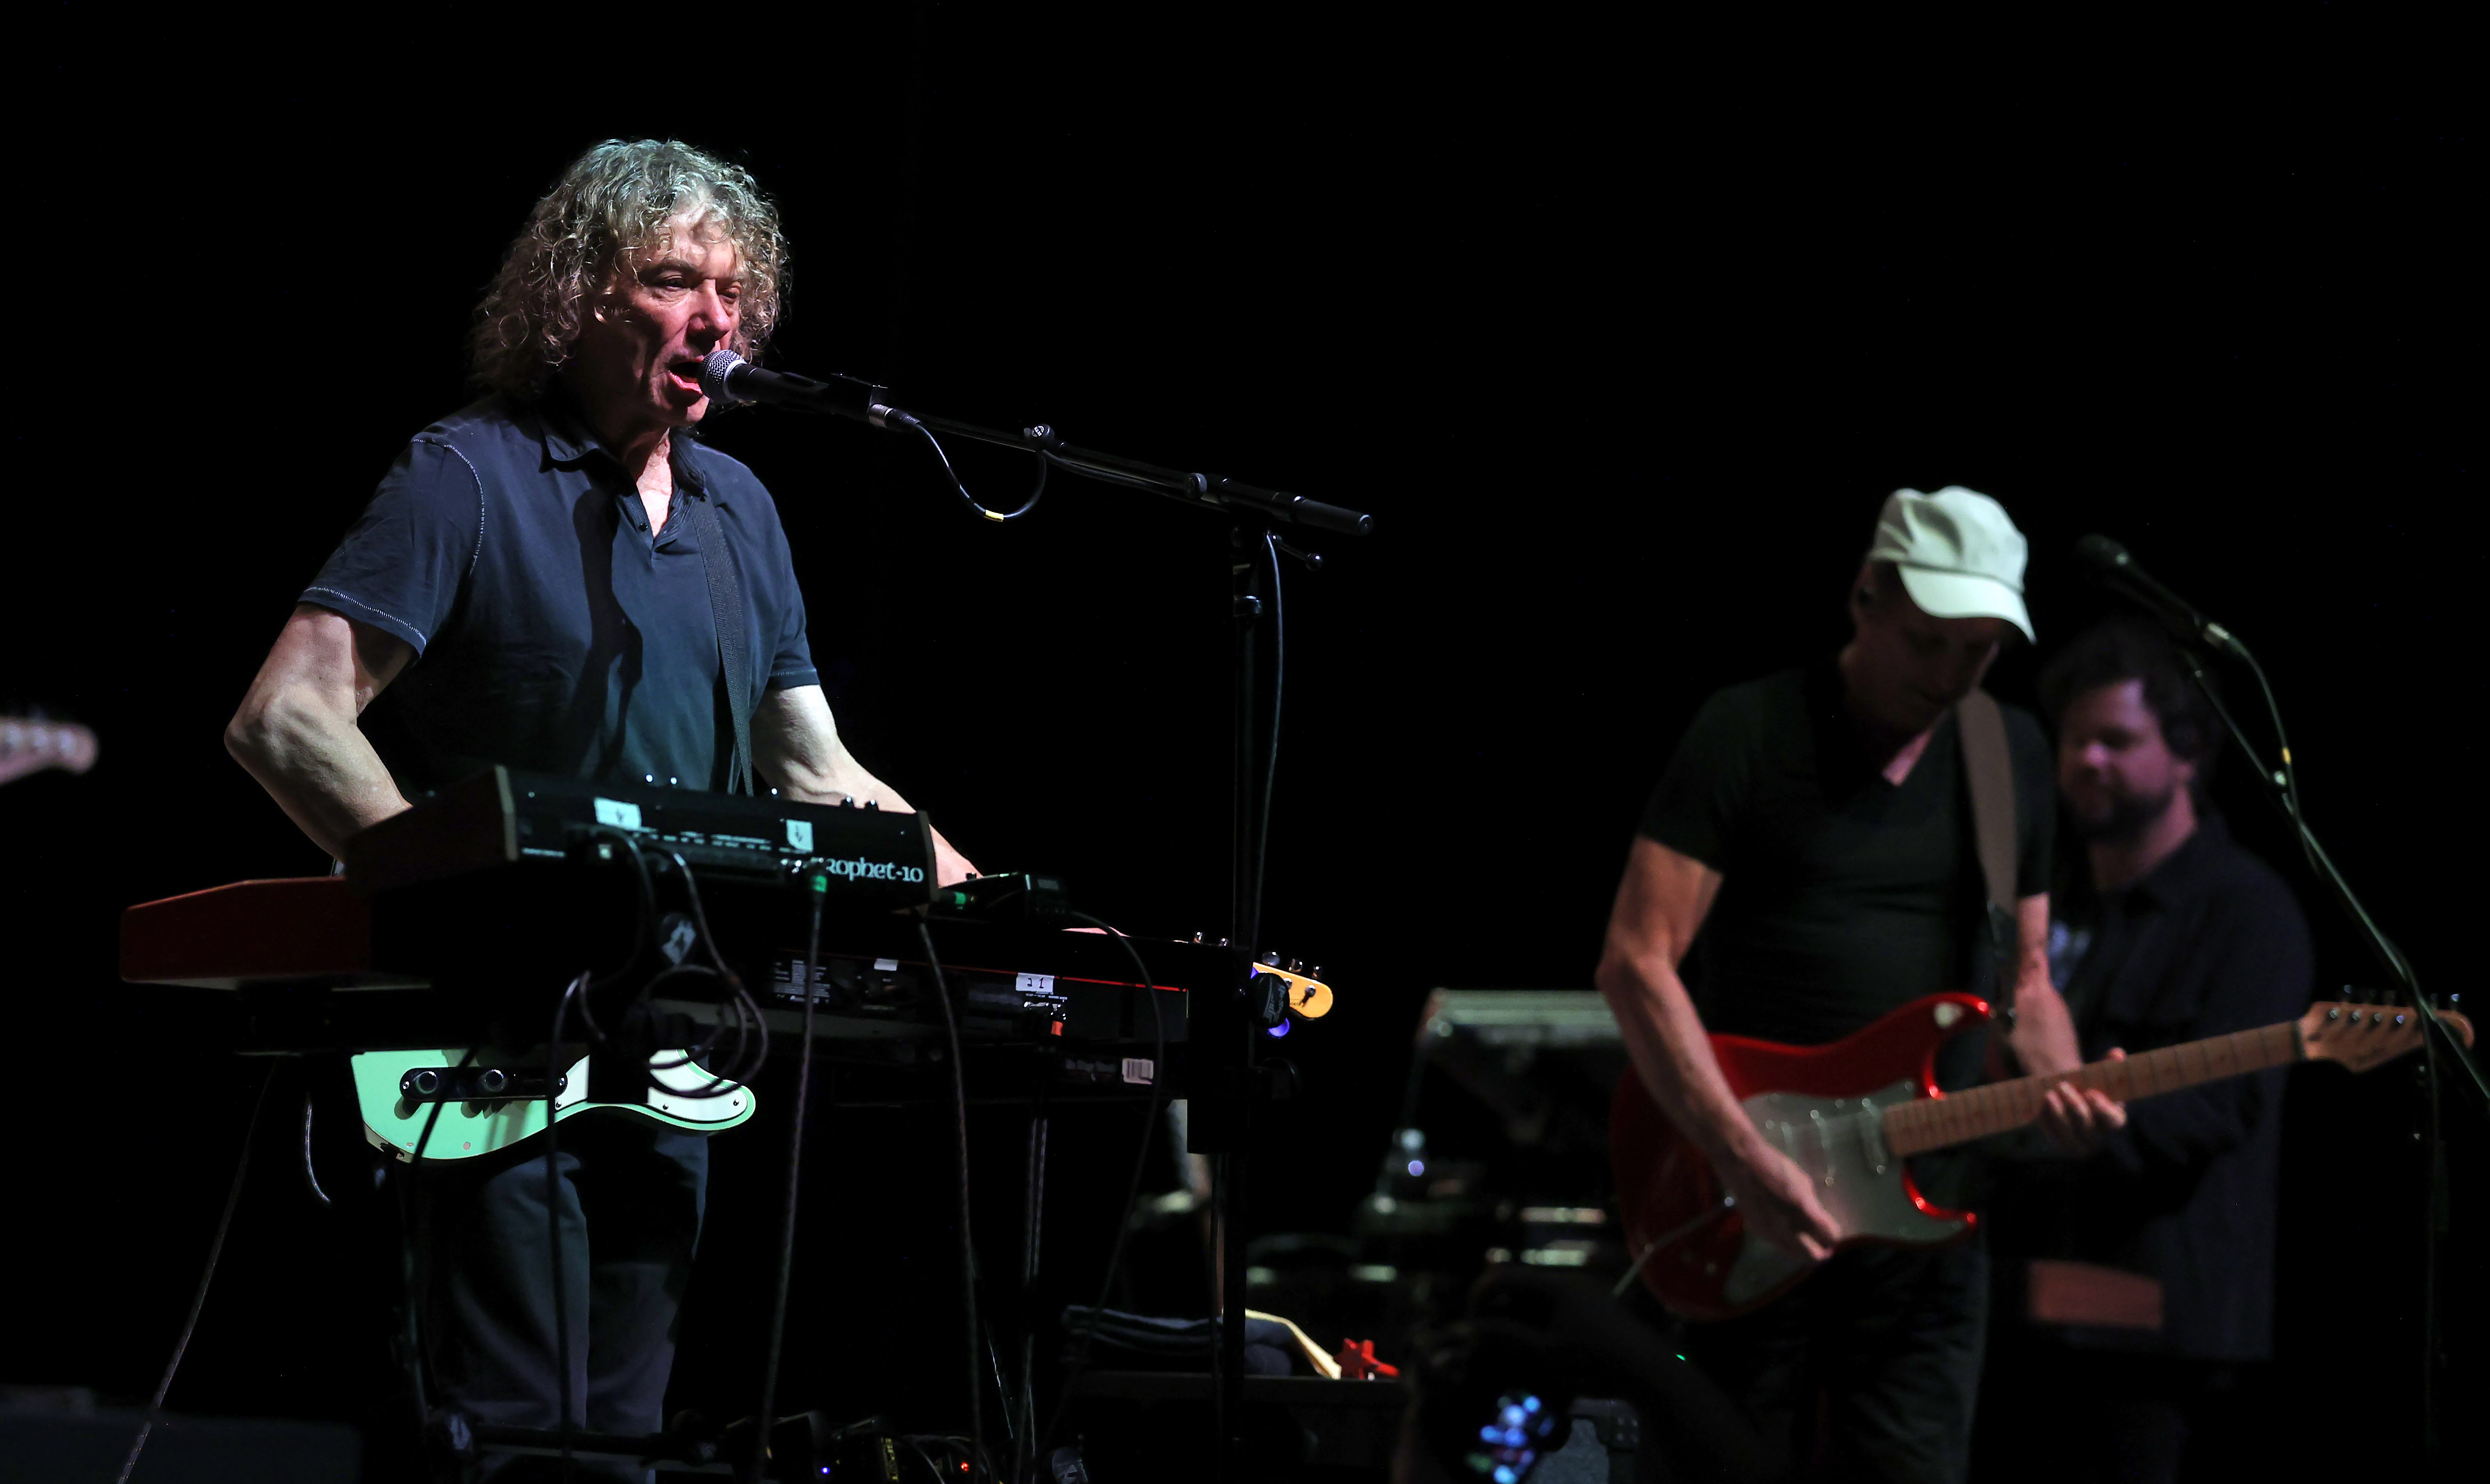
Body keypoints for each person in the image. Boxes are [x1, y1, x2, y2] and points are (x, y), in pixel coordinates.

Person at [224, 139, 974, 1477]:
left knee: (624, 1440)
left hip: (678, 1035)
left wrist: (993, 906)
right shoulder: (466, 472)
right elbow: (287, 716)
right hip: (491, 1042)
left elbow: (812, 766)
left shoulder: (740, 509)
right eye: (672, 278)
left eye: (733, 291)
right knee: (515, 1432)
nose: (714, 318)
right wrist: (446, 903)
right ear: (577, 297)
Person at [1593, 487, 2122, 1483]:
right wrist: (1740, 1156)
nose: (1951, 675)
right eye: (1928, 643)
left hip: (1928, 1211)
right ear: (1865, 597)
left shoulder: (2005, 753)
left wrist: (2063, 1080)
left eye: (1978, 652)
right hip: (1744, 1188)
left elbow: (2029, 982)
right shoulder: (1747, 729)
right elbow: (1635, 960)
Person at [1976, 619, 2312, 1483]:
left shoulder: (2245, 909)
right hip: (2019, 1308)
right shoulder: (2053, 907)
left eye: (2116, 739)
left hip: (2149, 1331)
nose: (2087, 760)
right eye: (2075, 740)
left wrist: (2097, 1118)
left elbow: (2222, 1104)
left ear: (2188, 754)